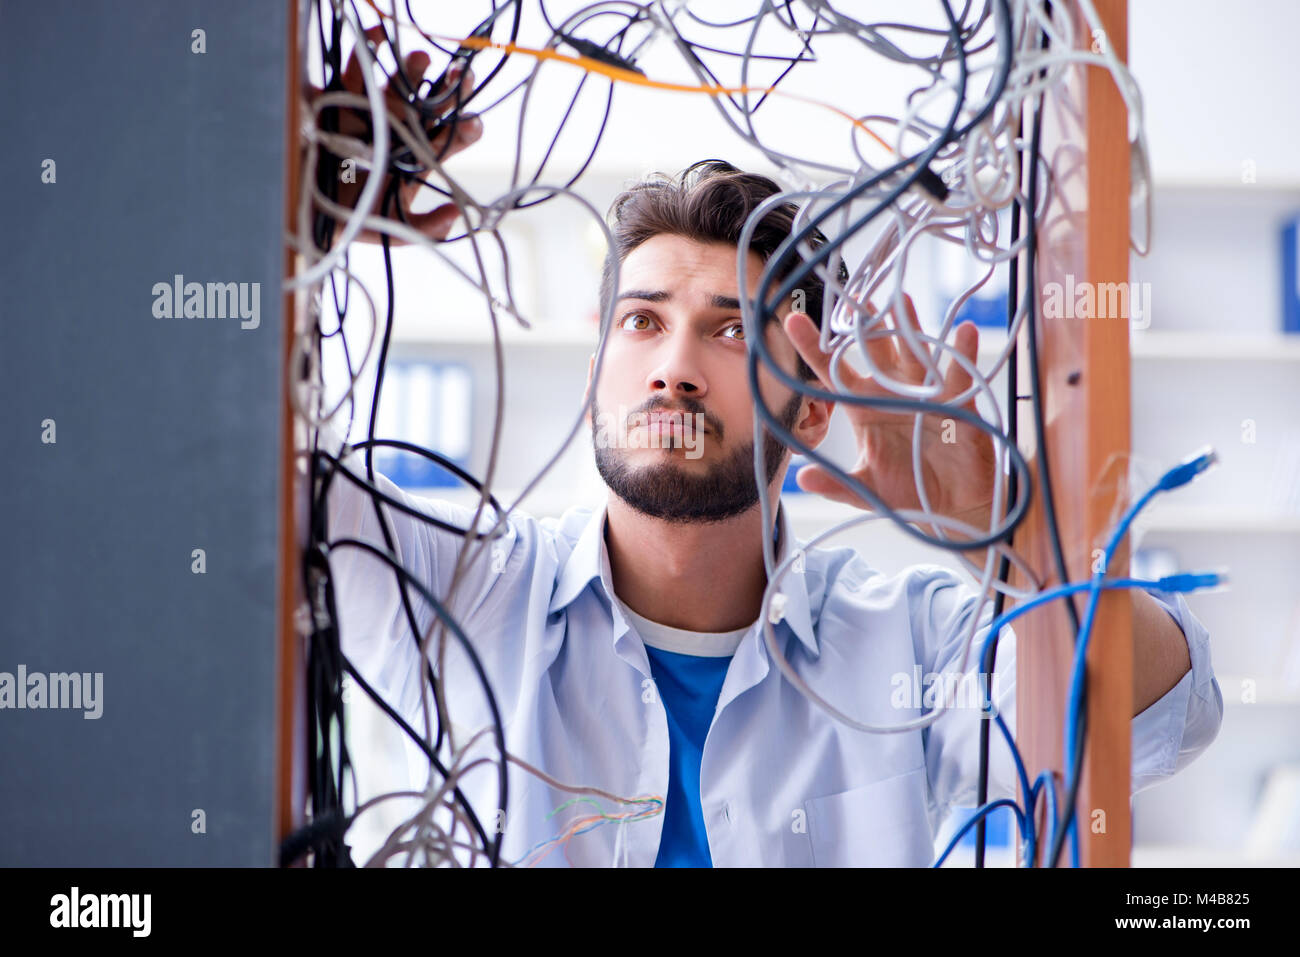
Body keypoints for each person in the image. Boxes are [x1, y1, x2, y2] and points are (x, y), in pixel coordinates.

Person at [315, 37, 1223, 867]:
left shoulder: (907, 638)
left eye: (731, 332)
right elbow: (235, 486)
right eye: (643, 322)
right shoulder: (461, 587)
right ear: (598, 373)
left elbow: (1163, 712)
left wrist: (1011, 536)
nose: (674, 369)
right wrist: (302, 215)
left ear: (814, 405)